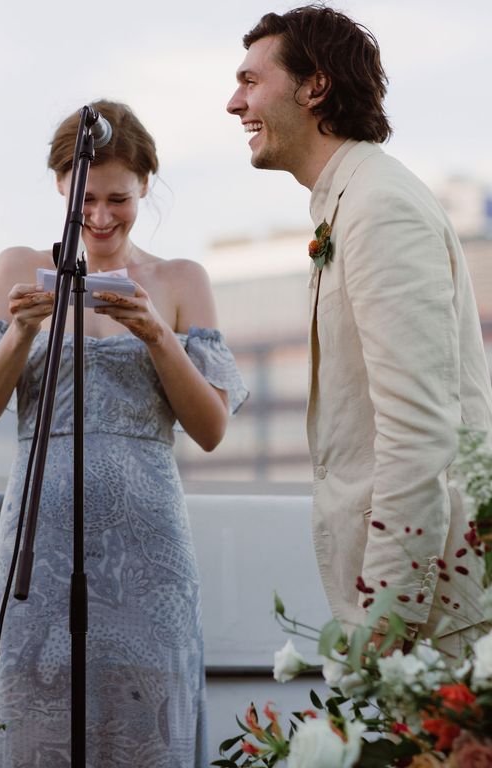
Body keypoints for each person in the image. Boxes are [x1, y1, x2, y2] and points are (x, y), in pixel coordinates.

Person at [0, 100, 247, 766]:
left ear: (146, 187)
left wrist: (155, 333)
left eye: (121, 199)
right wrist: (22, 332)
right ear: (61, 186)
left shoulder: (179, 279)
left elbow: (212, 428)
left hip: (150, 555)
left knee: (146, 736)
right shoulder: (17, 269)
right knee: (31, 734)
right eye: (88, 200)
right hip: (40, 555)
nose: (103, 218)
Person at [227, 5, 492, 650]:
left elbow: (420, 430)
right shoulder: (348, 204)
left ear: (315, 86)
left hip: (434, 619)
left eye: (251, 80)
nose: (234, 103)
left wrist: (386, 618)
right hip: (419, 611)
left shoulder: (380, 208)